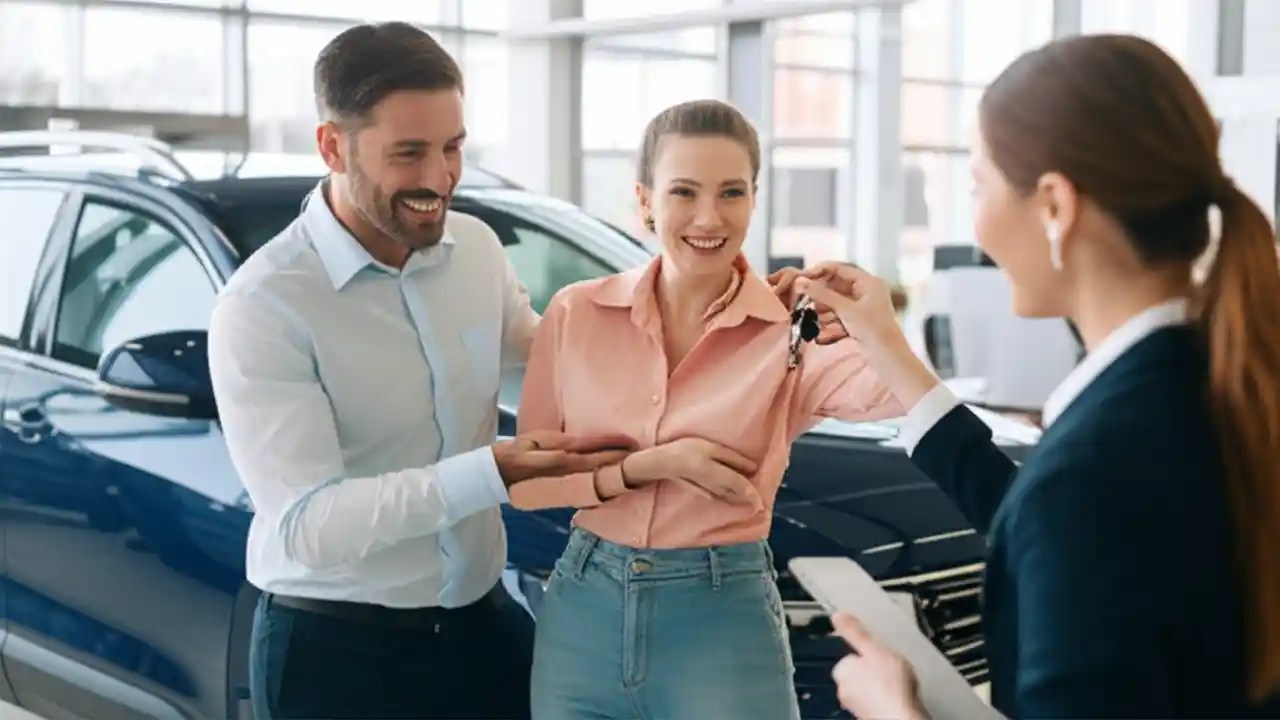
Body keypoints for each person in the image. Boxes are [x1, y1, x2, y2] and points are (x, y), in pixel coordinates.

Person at [777, 33, 1280, 719]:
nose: (977, 225)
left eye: (980, 186)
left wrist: (900, 713)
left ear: (1053, 206)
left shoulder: (1093, 472)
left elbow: (1069, 514)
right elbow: (1048, 520)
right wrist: (885, 344)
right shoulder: (1218, 393)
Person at [207, 23, 631, 720]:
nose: (440, 178)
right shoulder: (266, 304)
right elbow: (308, 526)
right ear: (332, 146)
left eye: (453, 147)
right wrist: (493, 471)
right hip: (336, 654)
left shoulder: (477, 249)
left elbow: (546, 347)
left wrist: (695, 303)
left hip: (482, 628)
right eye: (409, 153)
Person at [510, 98, 906, 720]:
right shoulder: (575, 311)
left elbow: (906, 397)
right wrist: (649, 467)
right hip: (583, 609)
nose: (707, 217)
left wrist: (867, 319)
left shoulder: (790, 332)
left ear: (753, 199)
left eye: (730, 193)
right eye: (684, 192)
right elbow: (531, 487)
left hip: (721, 615)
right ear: (645, 201)